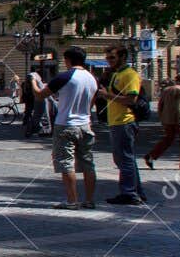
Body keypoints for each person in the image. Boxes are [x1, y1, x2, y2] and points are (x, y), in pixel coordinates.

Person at [32, 47, 99, 209]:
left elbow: (40, 95)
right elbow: (91, 103)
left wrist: (33, 80)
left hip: (66, 124)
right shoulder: (92, 78)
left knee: (66, 162)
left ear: (68, 59)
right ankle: (89, 200)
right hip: (85, 124)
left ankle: (72, 200)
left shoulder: (65, 76)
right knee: (88, 163)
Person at [97, 45, 146, 205]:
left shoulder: (129, 74)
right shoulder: (116, 74)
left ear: (123, 57)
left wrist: (107, 95)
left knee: (124, 159)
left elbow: (131, 99)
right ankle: (136, 191)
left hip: (125, 121)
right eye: (107, 58)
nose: (109, 61)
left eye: (112, 58)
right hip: (117, 121)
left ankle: (129, 193)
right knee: (125, 159)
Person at [146, 72, 180, 171]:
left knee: (168, 139)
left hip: (168, 120)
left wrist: (162, 119)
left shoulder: (166, 90)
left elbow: (160, 105)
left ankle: (151, 156)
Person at [20, 69, 44, 139]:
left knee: (29, 113)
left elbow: (23, 92)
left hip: (28, 100)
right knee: (36, 114)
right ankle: (33, 129)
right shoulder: (33, 83)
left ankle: (27, 126)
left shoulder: (24, 83)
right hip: (33, 100)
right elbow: (38, 92)